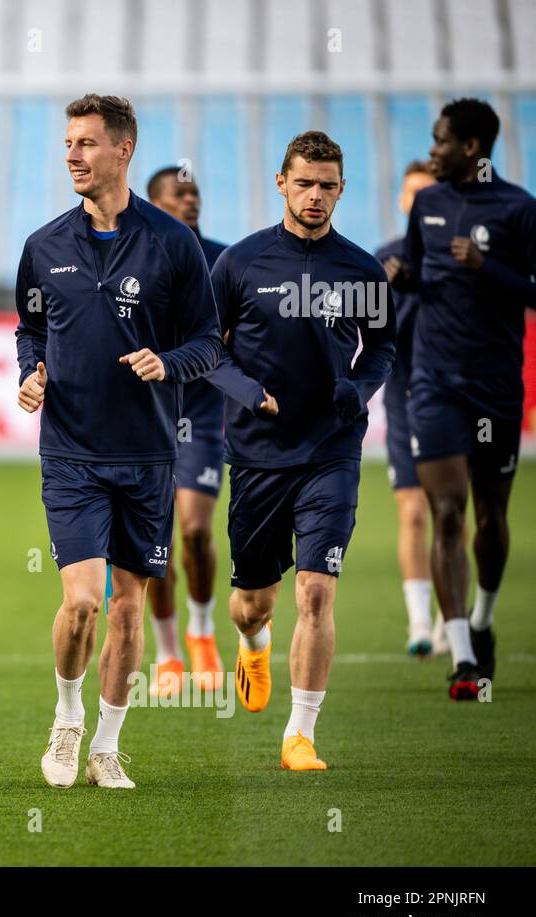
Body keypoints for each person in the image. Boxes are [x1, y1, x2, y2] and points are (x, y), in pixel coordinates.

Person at [17, 95, 222, 790]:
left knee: (129, 607)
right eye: (68, 142)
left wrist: (169, 362)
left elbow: (207, 343)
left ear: (122, 151)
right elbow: (31, 328)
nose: (72, 155)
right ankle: (68, 718)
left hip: (148, 455)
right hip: (71, 452)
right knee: (82, 602)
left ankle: (107, 744)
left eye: (86, 143)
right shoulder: (44, 245)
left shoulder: (173, 243)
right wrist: (31, 371)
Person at [207, 131, 394, 770]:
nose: (316, 196)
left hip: (332, 451)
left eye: (328, 186)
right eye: (305, 183)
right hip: (258, 454)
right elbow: (208, 347)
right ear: (282, 183)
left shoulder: (363, 270)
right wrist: (246, 389)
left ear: (342, 190)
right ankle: (253, 641)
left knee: (315, 590)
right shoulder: (238, 264)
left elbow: (383, 345)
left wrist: (360, 389)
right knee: (252, 600)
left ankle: (300, 735)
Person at [384, 98, 536, 699]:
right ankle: (465, 658)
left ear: (472, 147)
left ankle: (483, 617)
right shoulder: (428, 203)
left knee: (490, 518)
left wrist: (488, 267)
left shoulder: (519, 209)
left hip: (496, 384)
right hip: (434, 382)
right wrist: (402, 277)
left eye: (441, 140)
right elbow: (424, 276)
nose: (433, 149)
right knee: (445, 509)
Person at [143, 166, 229, 694]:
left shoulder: (224, 259)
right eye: (179, 193)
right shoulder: (134, 254)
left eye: (195, 191)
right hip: (143, 417)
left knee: (194, 531)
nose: (190, 199)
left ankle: (202, 632)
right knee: (155, 543)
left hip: (198, 415)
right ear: (154, 203)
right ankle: (168, 652)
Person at [372, 161, 441, 658]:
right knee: (413, 510)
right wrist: (391, 288)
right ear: (401, 199)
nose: (418, 202)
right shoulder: (384, 259)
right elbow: (369, 332)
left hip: (453, 395)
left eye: (428, 194)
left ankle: (450, 619)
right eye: (411, 192)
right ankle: (420, 622)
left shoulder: (460, 256)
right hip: (403, 397)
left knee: (451, 513)